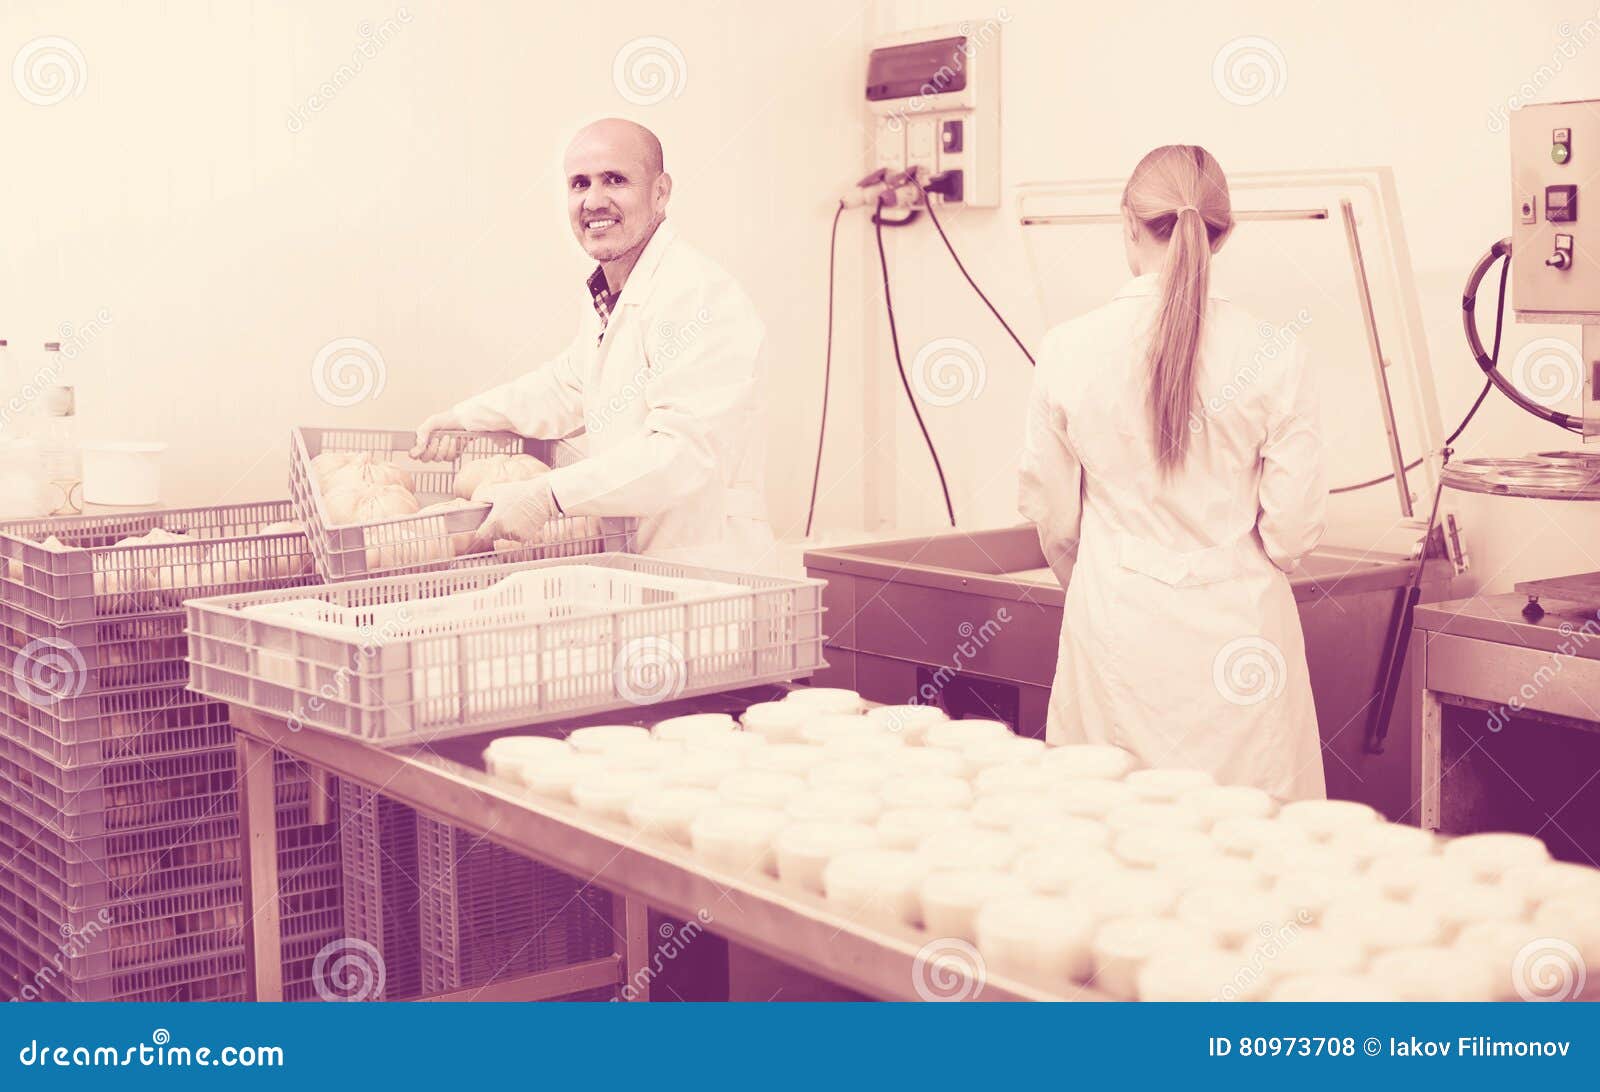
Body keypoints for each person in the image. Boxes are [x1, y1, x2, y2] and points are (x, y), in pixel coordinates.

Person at [1018, 145, 1327, 801]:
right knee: (1254, 851)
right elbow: (1292, 535)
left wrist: (1111, 575)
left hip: (1115, 632)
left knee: (1111, 836)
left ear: (1128, 223)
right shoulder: (1279, 354)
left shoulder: (1067, 349)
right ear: (1224, 233)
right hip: (1238, 644)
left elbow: (1055, 520)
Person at [412, 118, 773, 569]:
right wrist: (466, 417)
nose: (594, 200)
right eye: (579, 183)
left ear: (661, 191)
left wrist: (550, 494)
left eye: (615, 180)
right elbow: (570, 384)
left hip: (709, 569)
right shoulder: (613, 292)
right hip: (640, 567)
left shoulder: (696, 295)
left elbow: (683, 452)